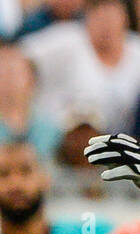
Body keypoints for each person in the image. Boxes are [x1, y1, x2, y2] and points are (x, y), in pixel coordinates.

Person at [20, 0, 140, 137]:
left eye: (112, 19)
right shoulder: (66, 40)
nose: (106, 26)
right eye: (100, 18)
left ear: (125, 20)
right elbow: (16, 55)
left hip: (120, 142)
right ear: (87, 18)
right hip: (64, 138)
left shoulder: (136, 50)